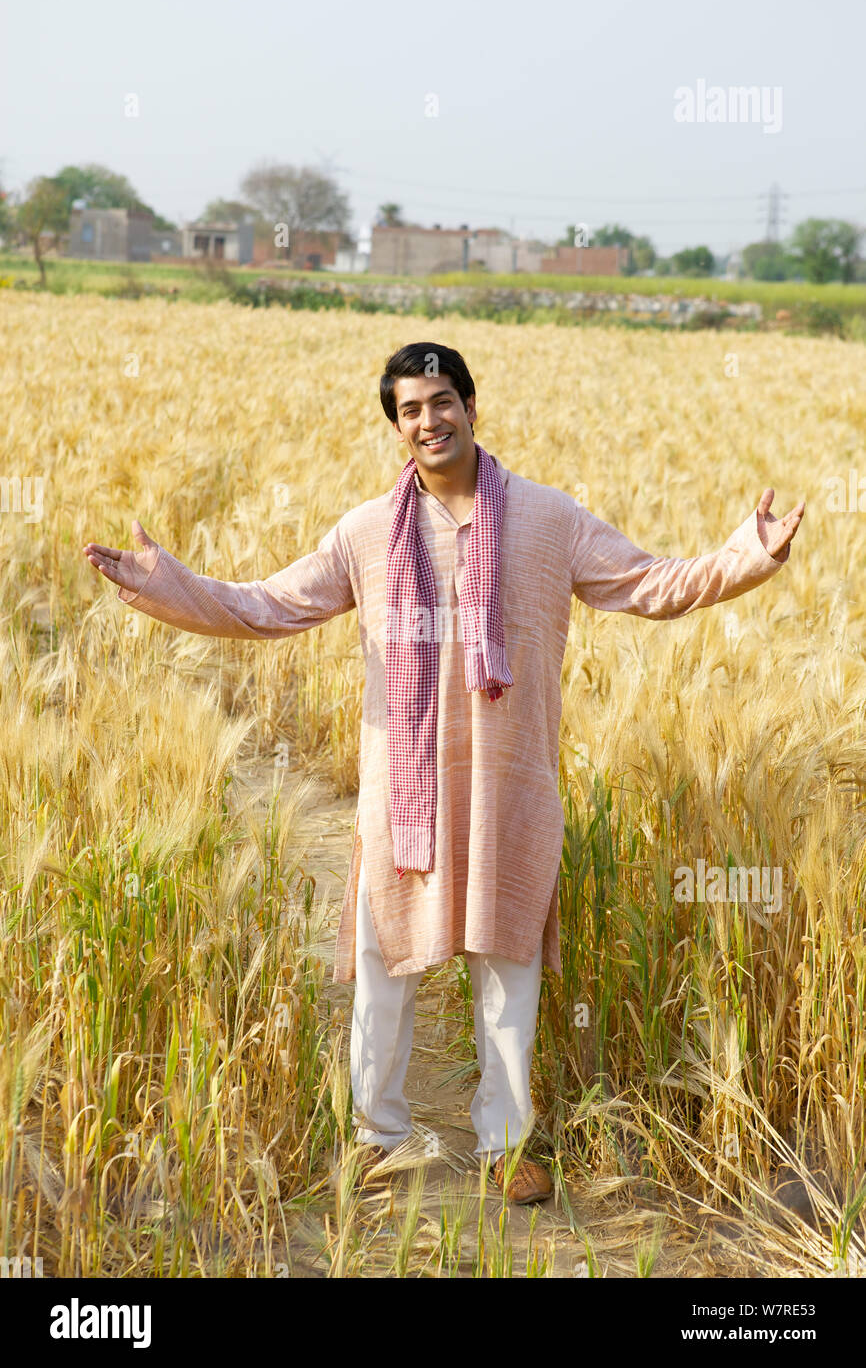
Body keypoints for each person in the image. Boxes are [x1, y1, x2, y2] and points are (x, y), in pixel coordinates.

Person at [83, 341, 804, 1205]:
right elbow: (267, 606)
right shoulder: (362, 534)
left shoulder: (548, 518)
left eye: (442, 401)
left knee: (508, 970)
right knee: (384, 969)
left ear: (470, 404)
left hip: (510, 783)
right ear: (397, 426)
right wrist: (165, 585)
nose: (429, 420)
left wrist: (747, 558)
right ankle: (378, 1138)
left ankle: (507, 1147)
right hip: (404, 789)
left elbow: (649, 582)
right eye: (410, 409)